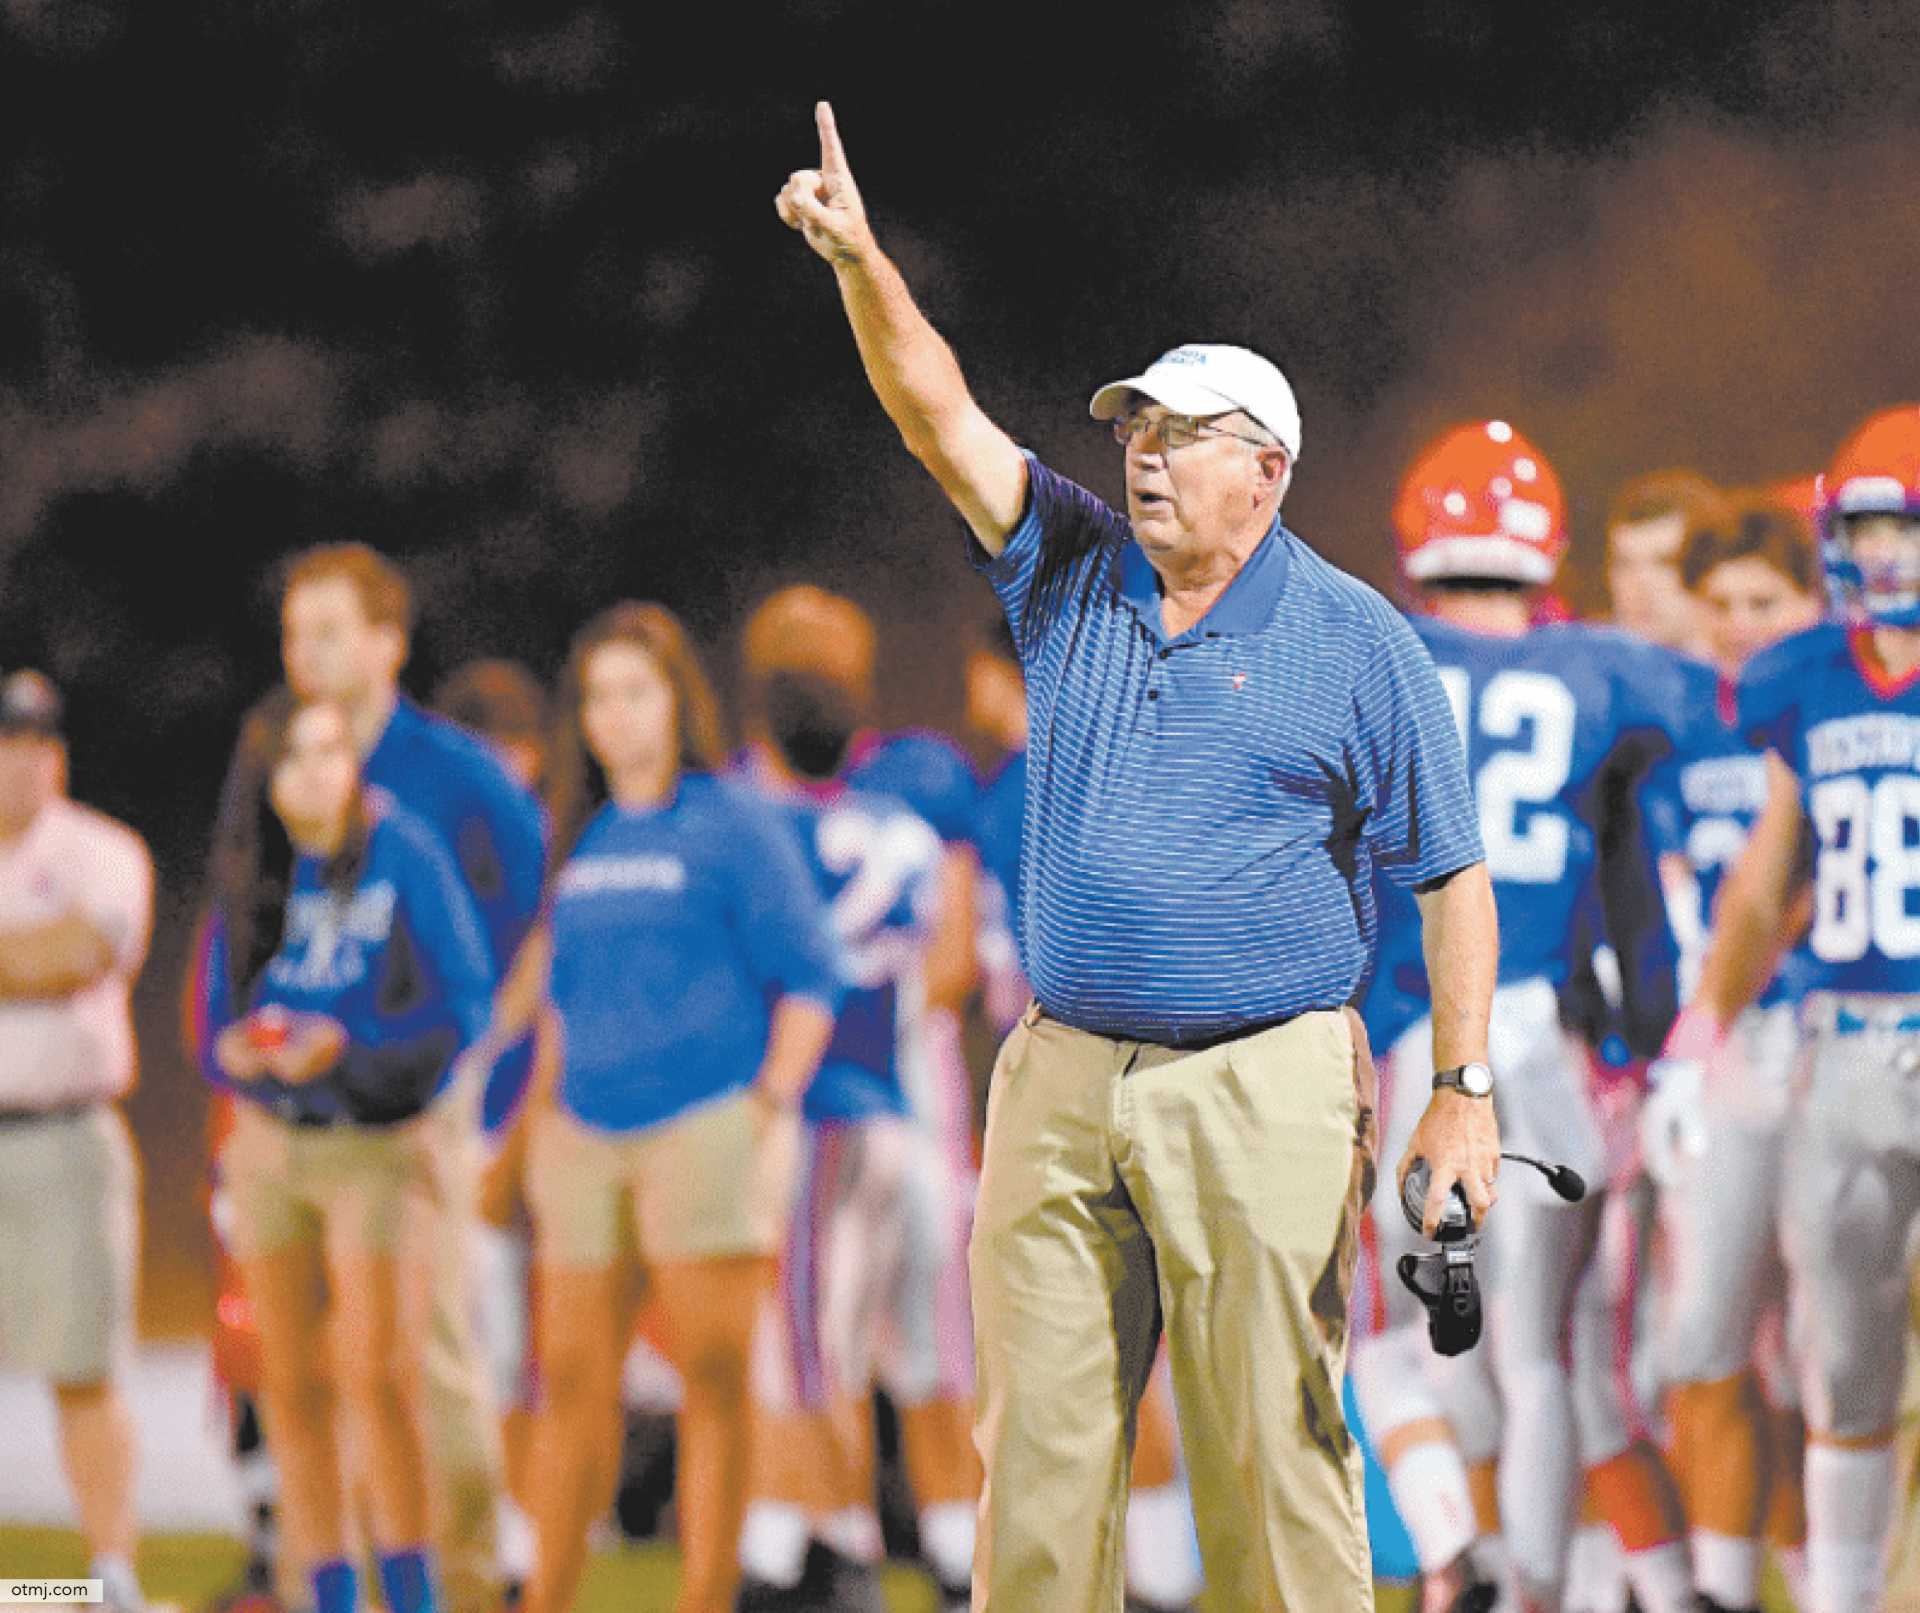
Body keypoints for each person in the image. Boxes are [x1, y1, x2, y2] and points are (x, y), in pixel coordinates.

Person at [777, 102, 1499, 1611]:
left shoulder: (1361, 640)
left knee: (1270, 1457)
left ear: (1271, 472)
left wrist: (1461, 1093)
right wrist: (863, 265)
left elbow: (1450, 878)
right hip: (1061, 1072)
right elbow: (937, 411)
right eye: (1135, 431)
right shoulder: (1071, 569)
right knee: (1033, 1463)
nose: (1144, 455)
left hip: (1268, 1077)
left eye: (1181, 436)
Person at [1354, 421, 1695, 1613]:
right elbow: (1638, 876)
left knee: (1397, 1334)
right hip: (1541, 1040)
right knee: (1538, 1354)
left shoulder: (1376, 650)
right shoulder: (1606, 670)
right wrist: (1654, 1034)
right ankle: (1540, 1589)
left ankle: (1458, 1547)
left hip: (1412, 1035)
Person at [464, 602, 840, 1613]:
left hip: (704, 1124)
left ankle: (703, 1596)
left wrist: (768, 1103)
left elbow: (811, 975)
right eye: (598, 697)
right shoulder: (577, 839)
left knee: (713, 1380)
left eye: (638, 691)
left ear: (677, 698)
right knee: (572, 1383)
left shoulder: (731, 819)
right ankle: (547, 1594)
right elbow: (551, 1002)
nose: (618, 716)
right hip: (582, 1132)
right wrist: (515, 1126)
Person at [1658, 402, 1920, 1613]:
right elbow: (1770, 873)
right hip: (1843, 1044)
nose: (1888, 558)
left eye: (1908, 532)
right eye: (1870, 529)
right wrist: (1704, 1024)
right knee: (1844, 1363)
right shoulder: (1802, 677)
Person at [279, 544, 546, 1613]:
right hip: (304, 1113)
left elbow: (536, 929)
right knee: (322, 1370)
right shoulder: (279, 764)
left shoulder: (458, 774)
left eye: (331, 628)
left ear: (389, 642)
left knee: (429, 1365)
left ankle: (470, 1586)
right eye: (296, 632)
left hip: (418, 1107)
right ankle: (333, 1587)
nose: (307, 652)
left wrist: (465, 1055)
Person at [198, 690, 498, 1613]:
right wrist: (247, 1053)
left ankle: (415, 1596)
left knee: (380, 1376)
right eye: (295, 757)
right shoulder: (257, 868)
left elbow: (463, 1003)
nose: (317, 772)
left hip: (375, 1142)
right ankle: (328, 1592)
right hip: (275, 1147)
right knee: (289, 1383)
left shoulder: (403, 851)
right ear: (268, 777)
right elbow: (219, 1019)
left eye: (332, 751)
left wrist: (351, 1050)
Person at [737, 585, 985, 1605]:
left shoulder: (751, 821)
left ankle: (835, 1557)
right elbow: (952, 957)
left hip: (820, 1115)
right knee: (927, 1357)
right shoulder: (907, 813)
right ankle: (957, 1558)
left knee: (809, 1358)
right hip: (911, 1106)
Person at [1635, 497, 1825, 1613]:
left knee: (1821, 1351)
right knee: (1706, 1338)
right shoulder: (1678, 728)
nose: (1745, 622)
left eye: (1768, 600)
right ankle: (1718, 1587)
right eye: (1726, 604)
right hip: (1717, 1051)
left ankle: (1826, 1582)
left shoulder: (1837, 705)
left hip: (1826, 1039)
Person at [0, 670, 154, 1613]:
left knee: (82, 1365)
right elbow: (32, 954)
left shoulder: (102, 849)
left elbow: (75, 957)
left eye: (38, 743)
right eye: (9, 741)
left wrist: (32, 956)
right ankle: (30, 1592)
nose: (24, 760)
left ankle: (102, 1583)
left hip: (62, 1132)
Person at [1604, 471, 1729, 654]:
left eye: (1665, 563)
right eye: (1624, 563)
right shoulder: (1578, 673)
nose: (1640, 583)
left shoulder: (1752, 679)